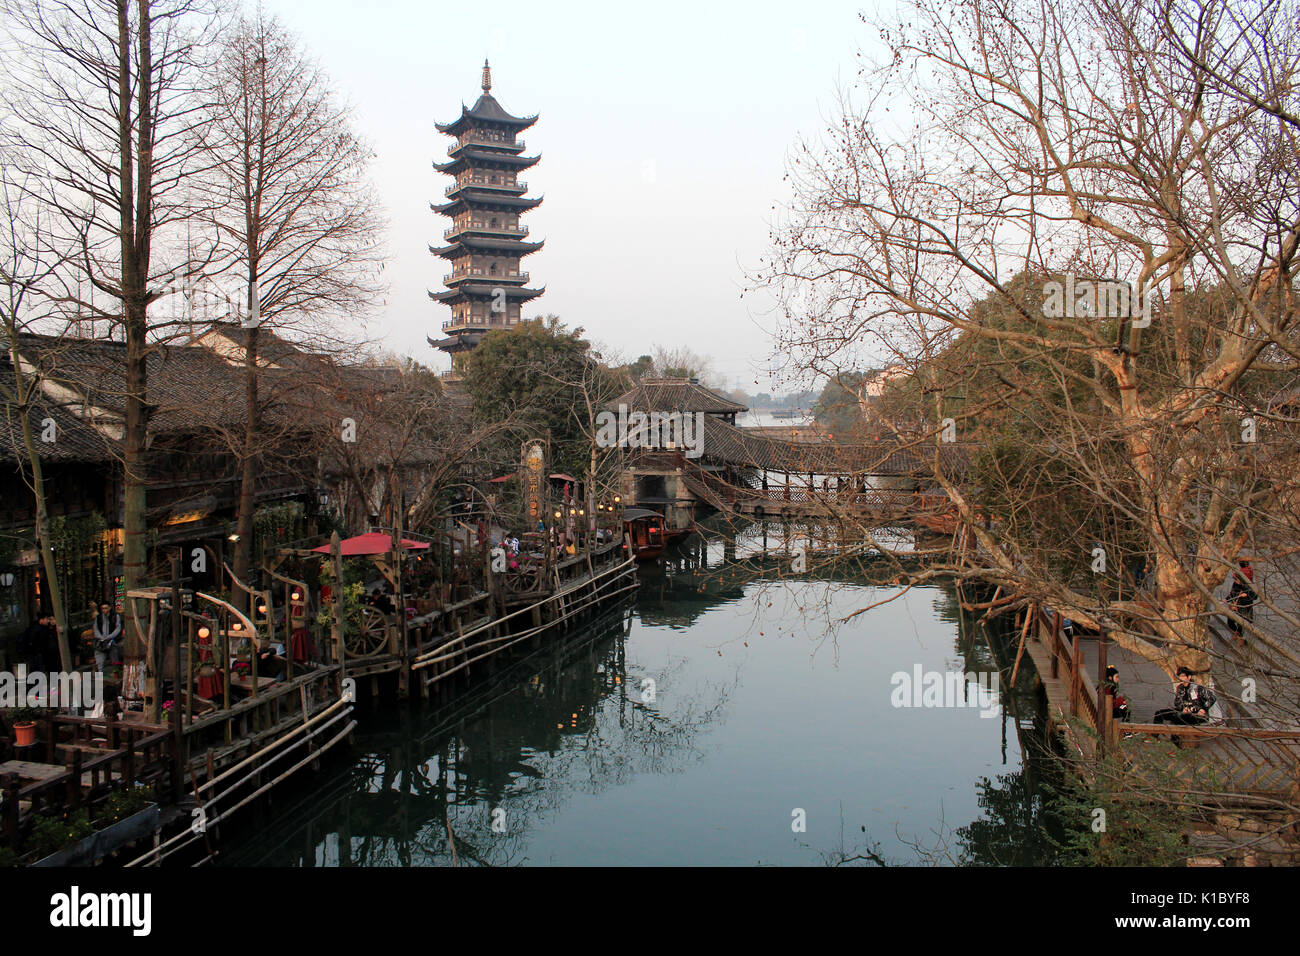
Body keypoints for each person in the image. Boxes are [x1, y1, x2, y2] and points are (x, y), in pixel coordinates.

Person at [1225, 560, 1256, 643]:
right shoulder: (1236, 584)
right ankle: (1238, 635)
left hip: (1244, 607)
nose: (1235, 581)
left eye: (1236, 579)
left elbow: (1255, 595)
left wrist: (1246, 595)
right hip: (1236, 605)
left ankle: (1240, 637)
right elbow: (1233, 593)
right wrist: (1226, 599)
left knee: (1241, 623)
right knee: (1230, 622)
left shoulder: (1249, 585)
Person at [92, 601, 123, 672]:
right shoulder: (99, 617)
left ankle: (116, 671)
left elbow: (118, 628)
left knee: (114, 653)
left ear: (109, 608)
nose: (104, 610)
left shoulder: (115, 616)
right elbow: (95, 628)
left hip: (112, 639)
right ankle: (99, 671)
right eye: (102, 608)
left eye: (106, 608)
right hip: (101, 640)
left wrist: (110, 637)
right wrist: (100, 637)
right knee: (99, 655)